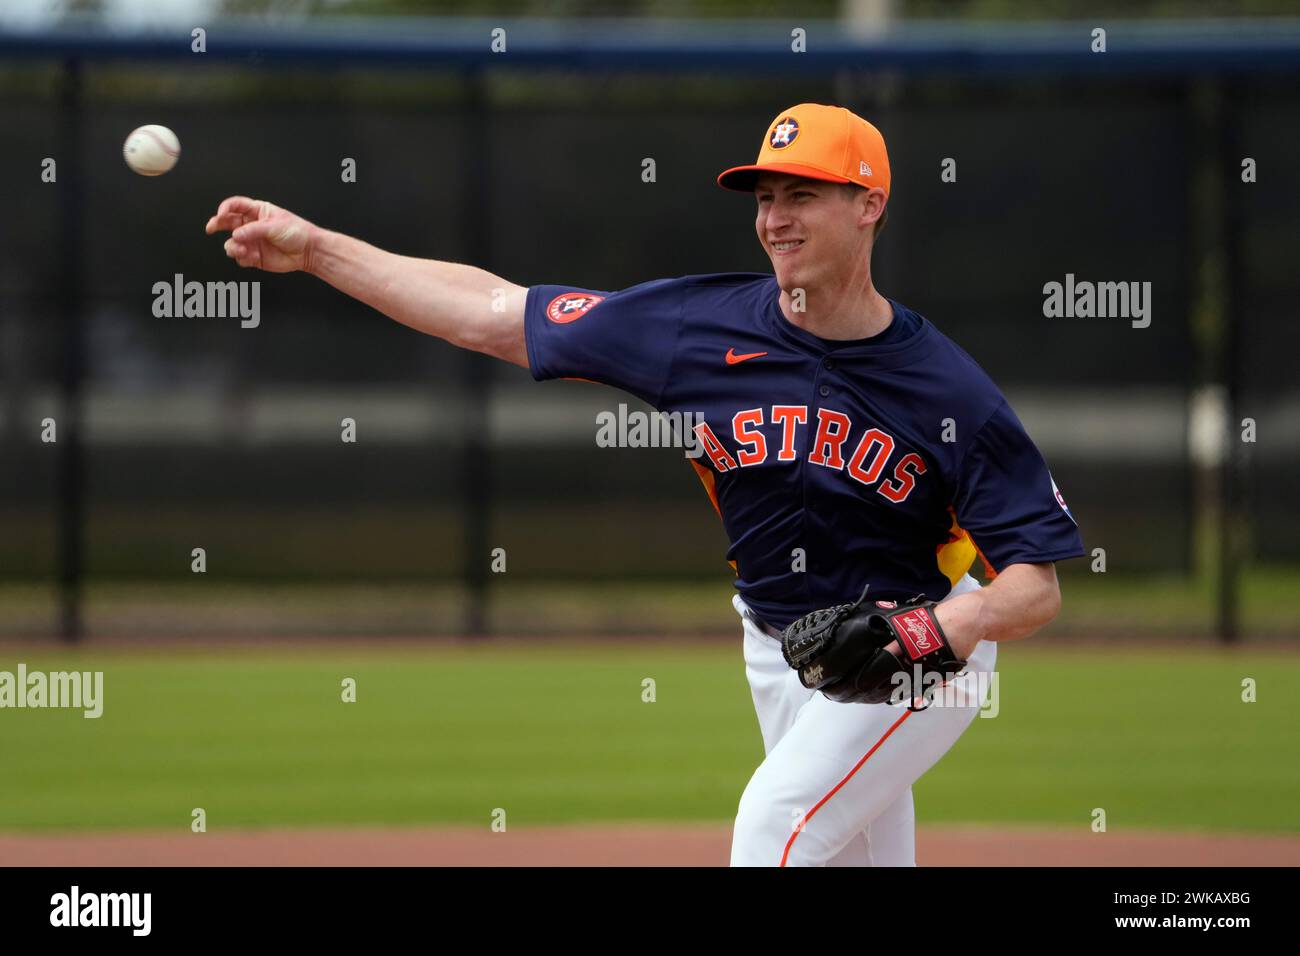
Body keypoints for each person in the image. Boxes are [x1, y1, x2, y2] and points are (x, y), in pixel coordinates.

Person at [206, 102, 1084, 867]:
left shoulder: (948, 390)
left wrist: (932, 628)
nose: (775, 218)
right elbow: (490, 312)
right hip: (777, 648)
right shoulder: (689, 328)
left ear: (868, 206)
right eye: (765, 197)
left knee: (775, 825)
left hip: (923, 656)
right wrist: (317, 249)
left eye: (802, 194)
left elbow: (1033, 585)